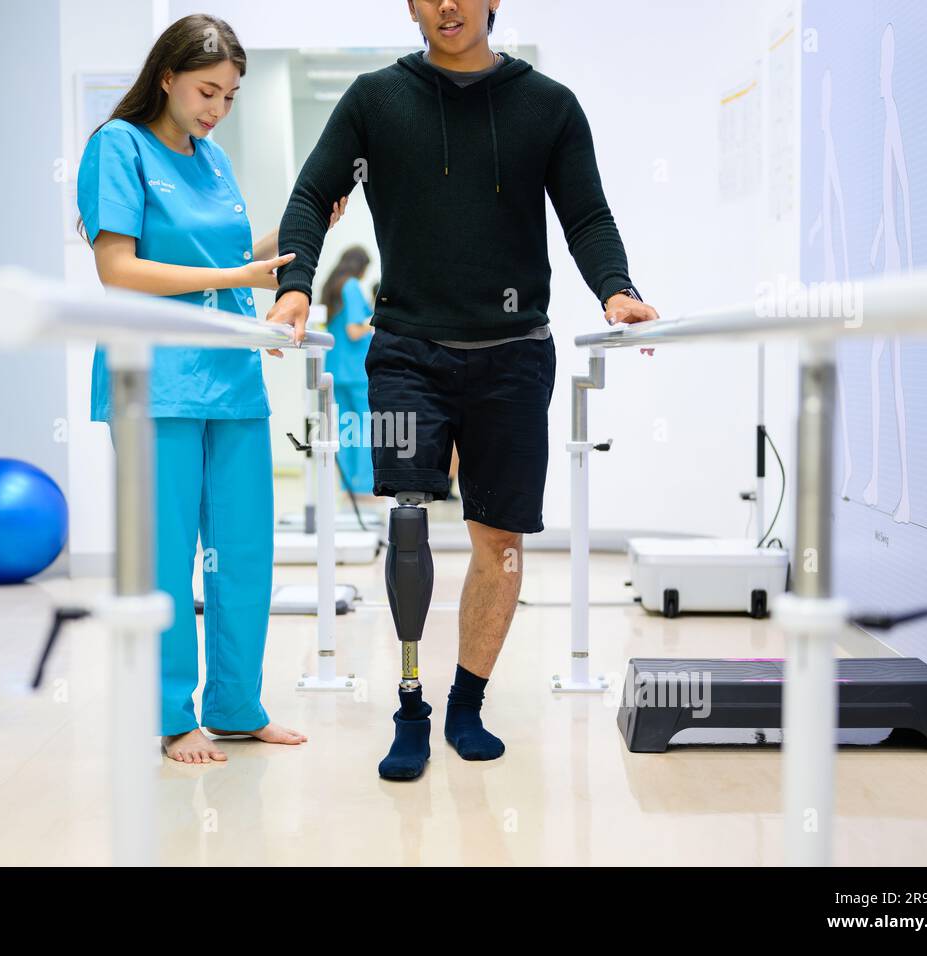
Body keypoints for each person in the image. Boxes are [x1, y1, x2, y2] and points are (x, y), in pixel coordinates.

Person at [266, 0, 659, 780]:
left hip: (515, 357)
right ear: (411, 6)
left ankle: (467, 703)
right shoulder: (376, 100)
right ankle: (410, 703)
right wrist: (296, 286)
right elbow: (311, 196)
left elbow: (586, 215)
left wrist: (616, 289)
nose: (447, 4)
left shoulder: (547, 106)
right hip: (406, 351)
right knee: (408, 521)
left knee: (501, 543)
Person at [76, 14, 346, 765]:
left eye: (229, 97)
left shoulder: (215, 161)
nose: (217, 109)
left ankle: (236, 705)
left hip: (231, 376)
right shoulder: (118, 146)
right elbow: (118, 268)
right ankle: (170, 716)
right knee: (166, 558)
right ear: (166, 77)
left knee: (243, 551)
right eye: (206, 92)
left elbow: (228, 256)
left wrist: (296, 232)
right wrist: (236, 276)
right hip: (154, 379)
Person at [320, 246, 376, 495]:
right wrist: (375, 321)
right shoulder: (351, 286)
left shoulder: (331, 287)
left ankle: (347, 485)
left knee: (344, 426)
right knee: (364, 425)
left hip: (335, 369)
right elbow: (354, 331)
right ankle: (363, 484)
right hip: (355, 370)